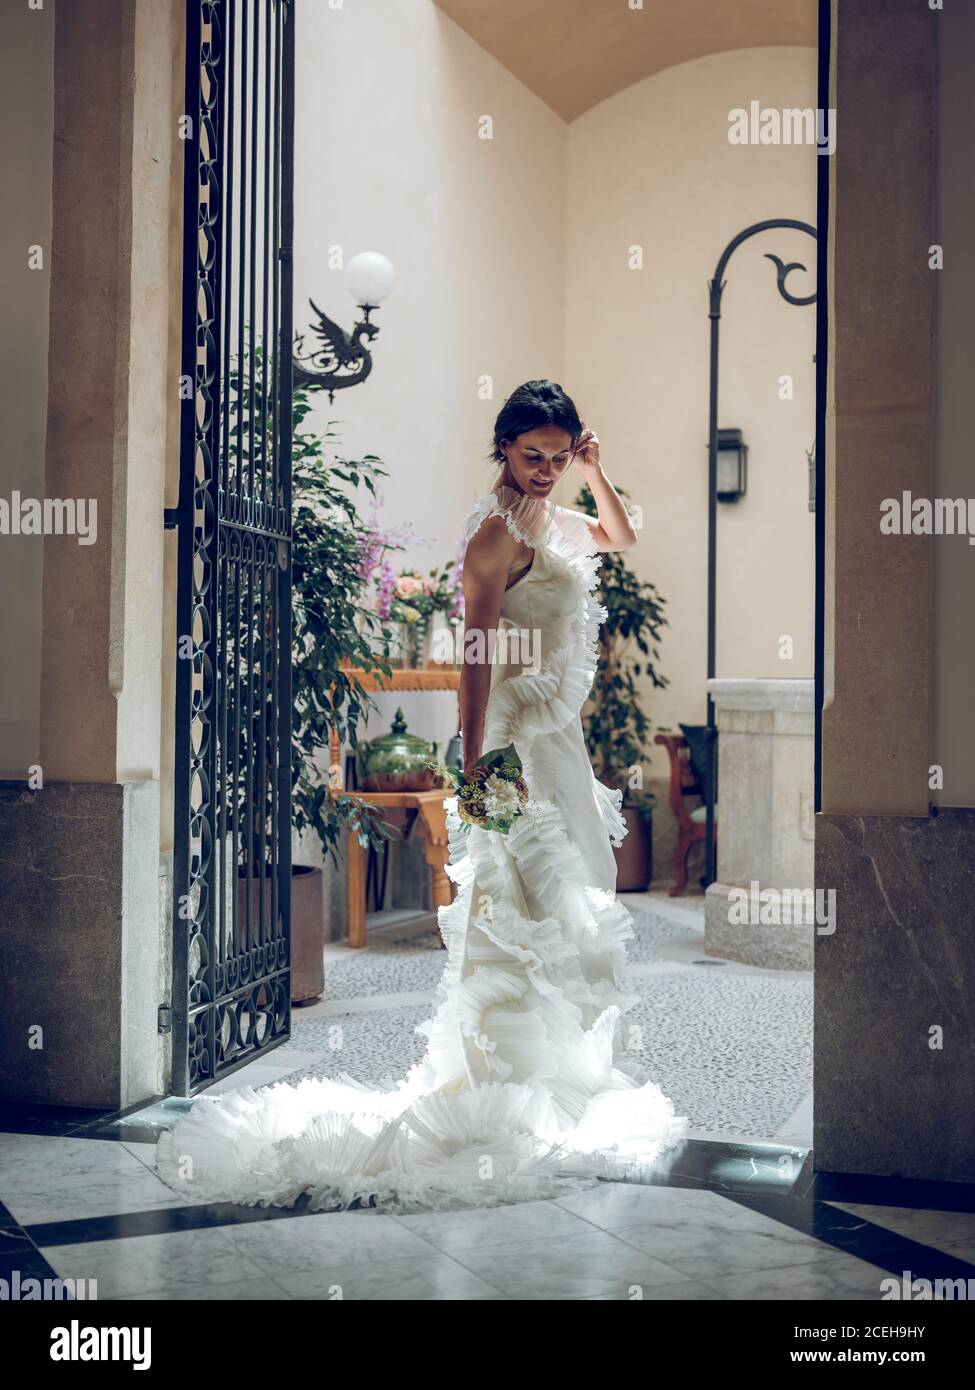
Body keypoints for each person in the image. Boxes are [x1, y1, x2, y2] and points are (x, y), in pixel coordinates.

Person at [155, 379, 688, 1215]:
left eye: (557, 456)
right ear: (502, 451)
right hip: (507, 740)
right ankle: (490, 1085)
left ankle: (540, 1078)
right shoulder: (492, 537)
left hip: (554, 742)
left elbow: (619, 536)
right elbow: (475, 656)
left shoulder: (557, 517)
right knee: (511, 897)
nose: (544, 471)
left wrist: (597, 471)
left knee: (559, 902)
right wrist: (473, 767)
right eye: (530, 456)